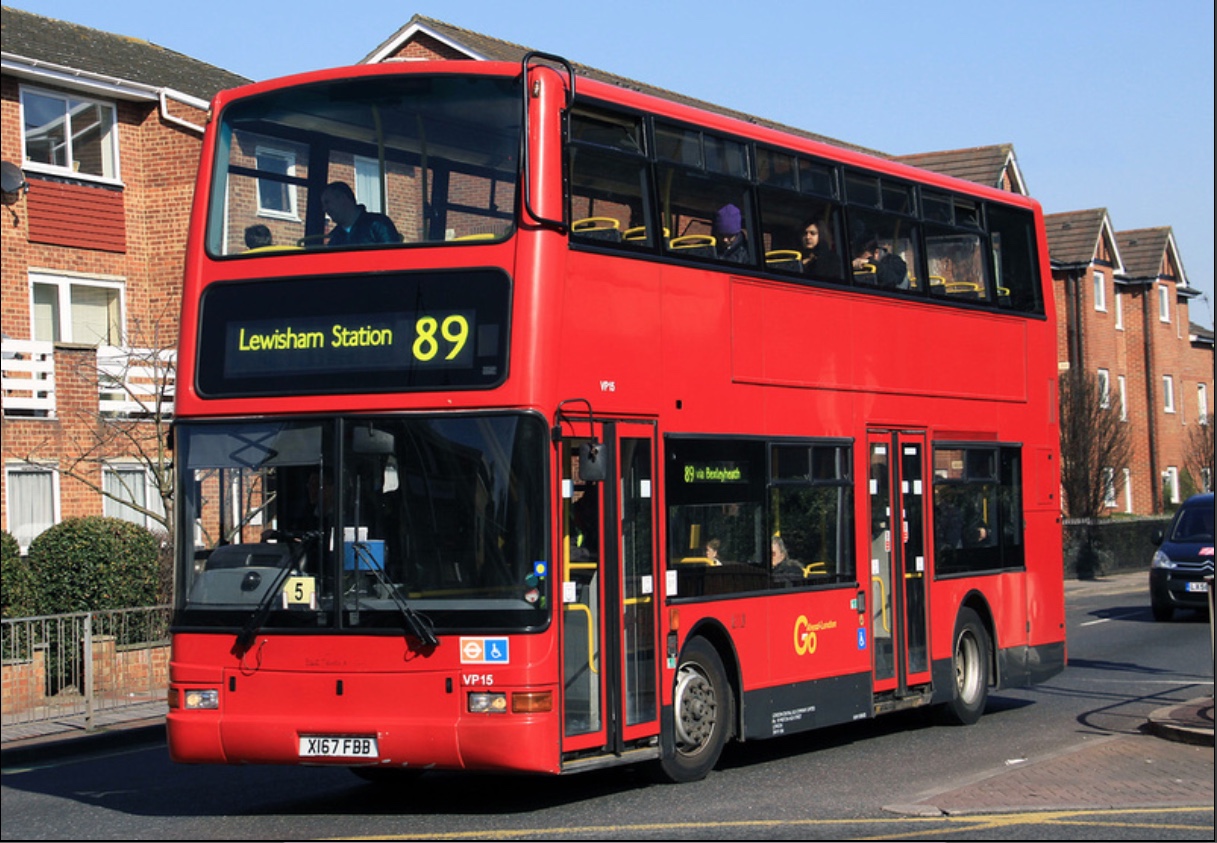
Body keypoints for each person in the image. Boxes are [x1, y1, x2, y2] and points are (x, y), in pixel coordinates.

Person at [321, 182, 401, 246]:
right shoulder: (334, 238)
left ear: (343, 199)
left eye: (327, 202)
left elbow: (393, 256)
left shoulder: (378, 224)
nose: (324, 209)